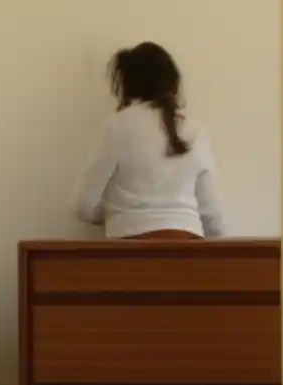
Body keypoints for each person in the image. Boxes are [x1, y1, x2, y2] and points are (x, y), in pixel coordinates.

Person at [74, 42, 225, 240]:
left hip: (131, 248)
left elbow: (83, 205)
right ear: (173, 82)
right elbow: (212, 216)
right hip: (189, 246)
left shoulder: (117, 126)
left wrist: (117, 214)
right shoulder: (196, 131)